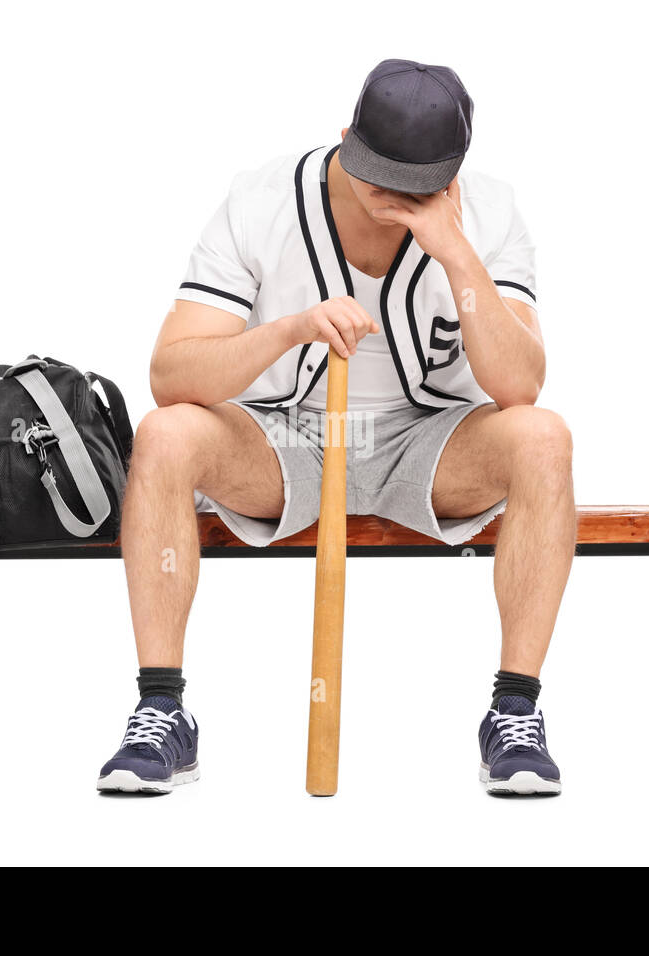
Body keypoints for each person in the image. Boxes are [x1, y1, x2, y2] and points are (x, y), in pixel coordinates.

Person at [97, 59, 575, 796]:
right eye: (373, 170)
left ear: (451, 175)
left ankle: (515, 711)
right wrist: (288, 330)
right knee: (166, 434)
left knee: (543, 435)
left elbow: (519, 386)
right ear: (346, 137)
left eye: (411, 181)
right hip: (288, 439)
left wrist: (454, 251)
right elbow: (171, 377)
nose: (387, 195)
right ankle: (162, 709)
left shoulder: (488, 215)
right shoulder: (262, 200)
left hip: (431, 441)